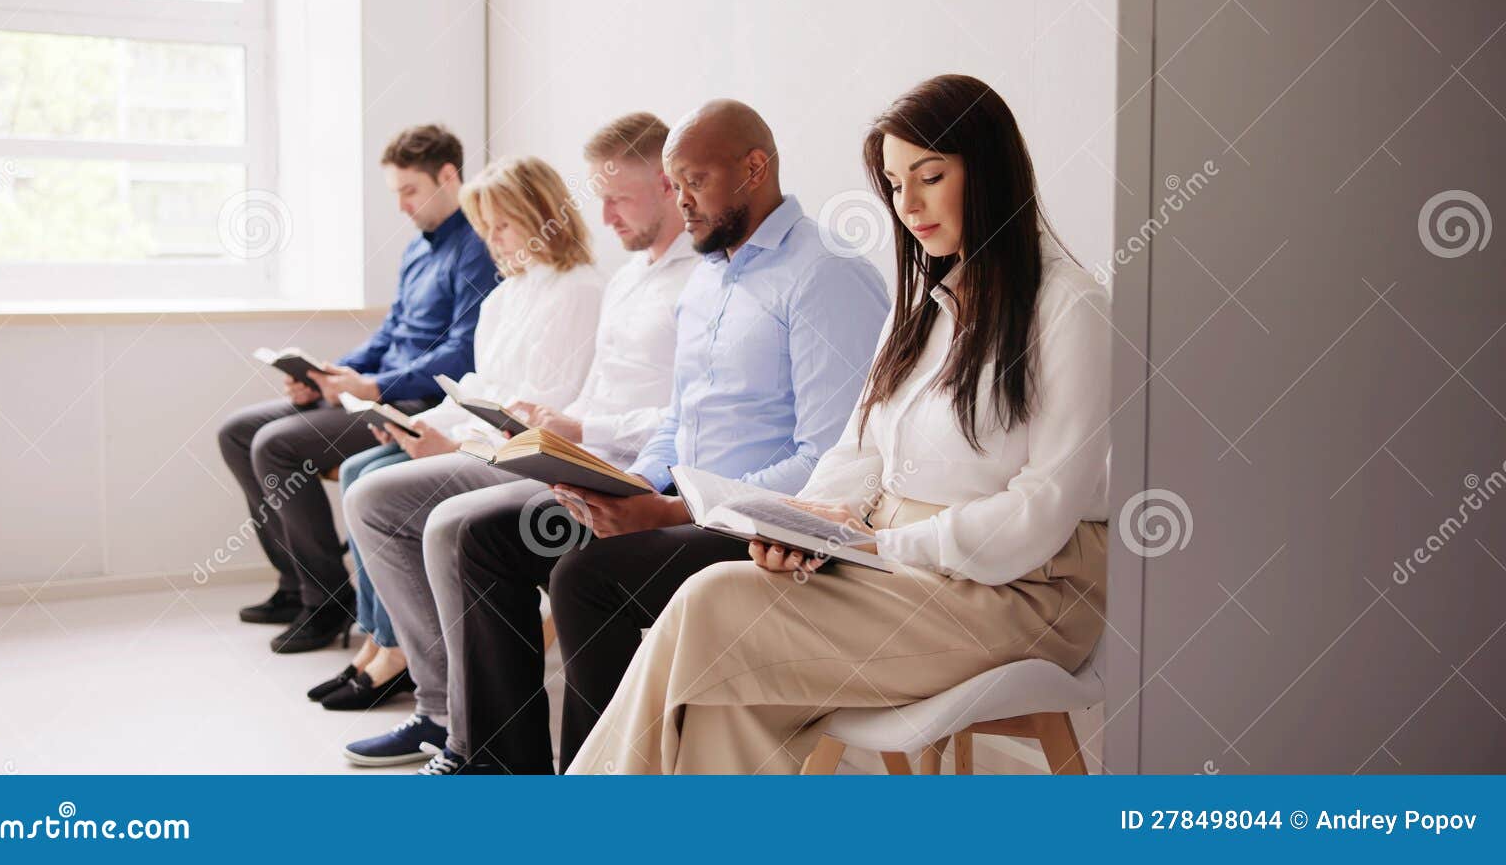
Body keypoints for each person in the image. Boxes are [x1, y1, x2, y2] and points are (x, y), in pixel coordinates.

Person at [567, 74, 1113, 775]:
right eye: (892, 183)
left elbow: (1041, 512)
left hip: (1020, 594)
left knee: (710, 607)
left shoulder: (1069, 309)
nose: (907, 204)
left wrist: (887, 545)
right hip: (903, 566)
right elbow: (859, 451)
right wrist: (800, 526)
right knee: (724, 685)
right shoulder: (925, 305)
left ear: (991, 169)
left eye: (930, 176)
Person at [439, 99, 890, 774]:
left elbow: (828, 464)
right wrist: (634, 486)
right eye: (674, 187)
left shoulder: (825, 274)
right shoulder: (709, 278)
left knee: (590, 579)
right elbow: (680, 418)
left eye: (694, 182)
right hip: (675, 501)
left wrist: (676, 512)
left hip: (763, 531)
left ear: (753, 167)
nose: (681, 203)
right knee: (483, 538)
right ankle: (507, 777)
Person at [330, 154, 609, 754]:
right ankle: (437, 699)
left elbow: (543, 412)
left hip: (522, 459)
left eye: (502, 226)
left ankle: (443, 705)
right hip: (485, 445)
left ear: (540, 215)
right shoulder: (507, 297)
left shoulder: (580, 291)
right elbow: (479, 390)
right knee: (367, 487)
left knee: (375, 497)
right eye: (485, 229)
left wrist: (451, 442)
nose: (493, 242)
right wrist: (417, 423)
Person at [216, 125, 498, 653]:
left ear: (448, 176)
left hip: (417, 403)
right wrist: (327, 374)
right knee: (237, 431)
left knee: (274, 444)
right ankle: (295, 582)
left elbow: (464, 354)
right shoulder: (419, 249)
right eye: (395, 193)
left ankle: (325, 601)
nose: (401, 205)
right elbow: (392, 332)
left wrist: (372, 385)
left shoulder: (479, 246)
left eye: (409, 190)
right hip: (374, 390)